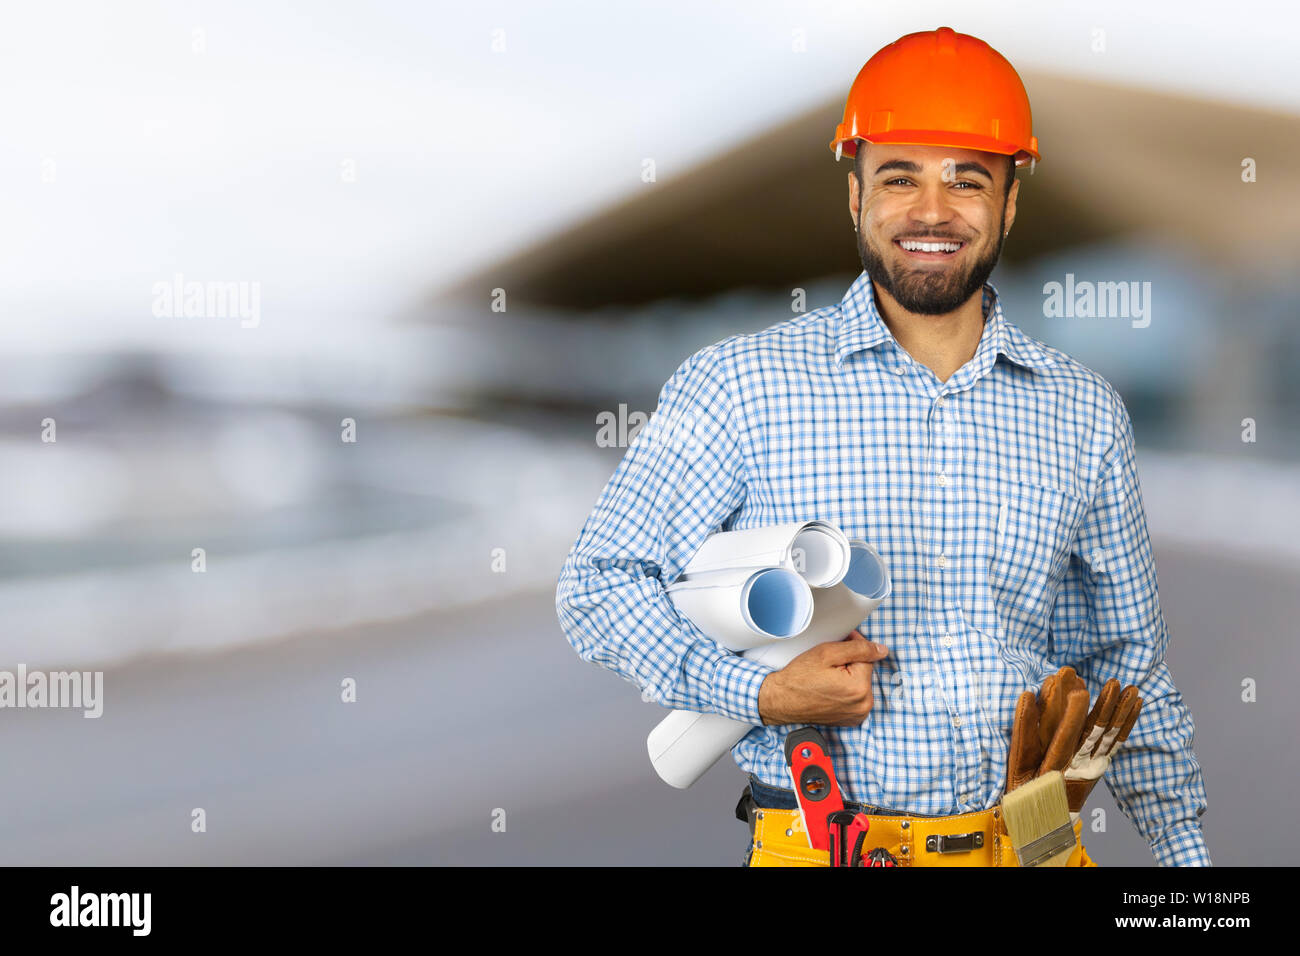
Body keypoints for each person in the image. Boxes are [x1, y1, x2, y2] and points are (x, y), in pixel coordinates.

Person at [555, 26, 1209, 866]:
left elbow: (1129, 670)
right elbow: (598, 586)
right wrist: (760, 691)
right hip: (825, 845)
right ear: (856, 197)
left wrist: (1187, 865)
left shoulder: (1083, 413)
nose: (932, 210)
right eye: (899, 176)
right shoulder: (738, 387)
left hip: (1034, 846)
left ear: (1009, 203)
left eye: (967, 181)